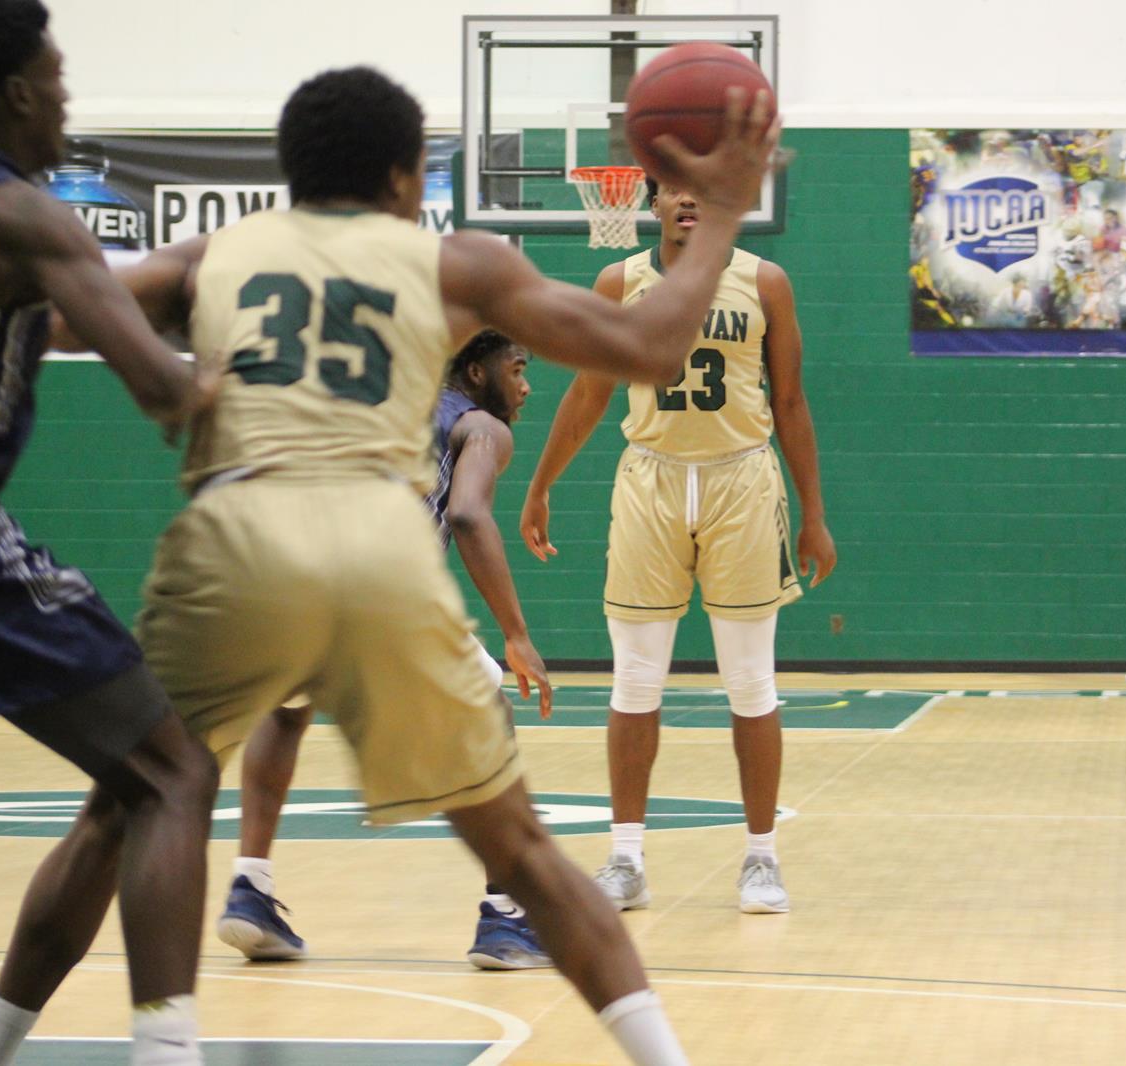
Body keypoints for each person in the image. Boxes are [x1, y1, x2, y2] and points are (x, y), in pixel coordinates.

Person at [52, 65, 778, 1066]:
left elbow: (61, 309)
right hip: (379, 551)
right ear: (406, 180)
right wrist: (725, 215)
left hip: (235, 536)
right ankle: (616, 1012)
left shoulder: (218, 253)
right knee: (515, 840)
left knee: (156, 790)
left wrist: (148, 359)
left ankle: (166, 1028)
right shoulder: (447, 270)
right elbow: (644, 345)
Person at [0, 3, 220, 1065]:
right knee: (170, 773)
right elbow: (161, 387)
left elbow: (64, 319)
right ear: (18, 90)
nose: (71, 97)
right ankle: (168, 1055)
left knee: (132, 781)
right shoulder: (22, 211)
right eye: (59, 76)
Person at [519, 175, 836, 916]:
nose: (691, 201)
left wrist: (814, 511)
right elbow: (588, 392)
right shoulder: (618, 280)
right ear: (653, 204)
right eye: (676, 192)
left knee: (751, 681)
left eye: (706, 190)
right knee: (635, 679)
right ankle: (625, 858)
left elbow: (790, 401)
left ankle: (762, 858)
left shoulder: (766, 282)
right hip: (650, 481)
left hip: (743, 482)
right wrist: (540, 485)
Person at [214, 330, 556, 971]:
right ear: (477, 374)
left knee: (286, 705)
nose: (527, 385)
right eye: (518, 368)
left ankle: (249, 889)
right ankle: (506, 919)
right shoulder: (481, 427)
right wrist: (515, 633)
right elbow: (469, 516)